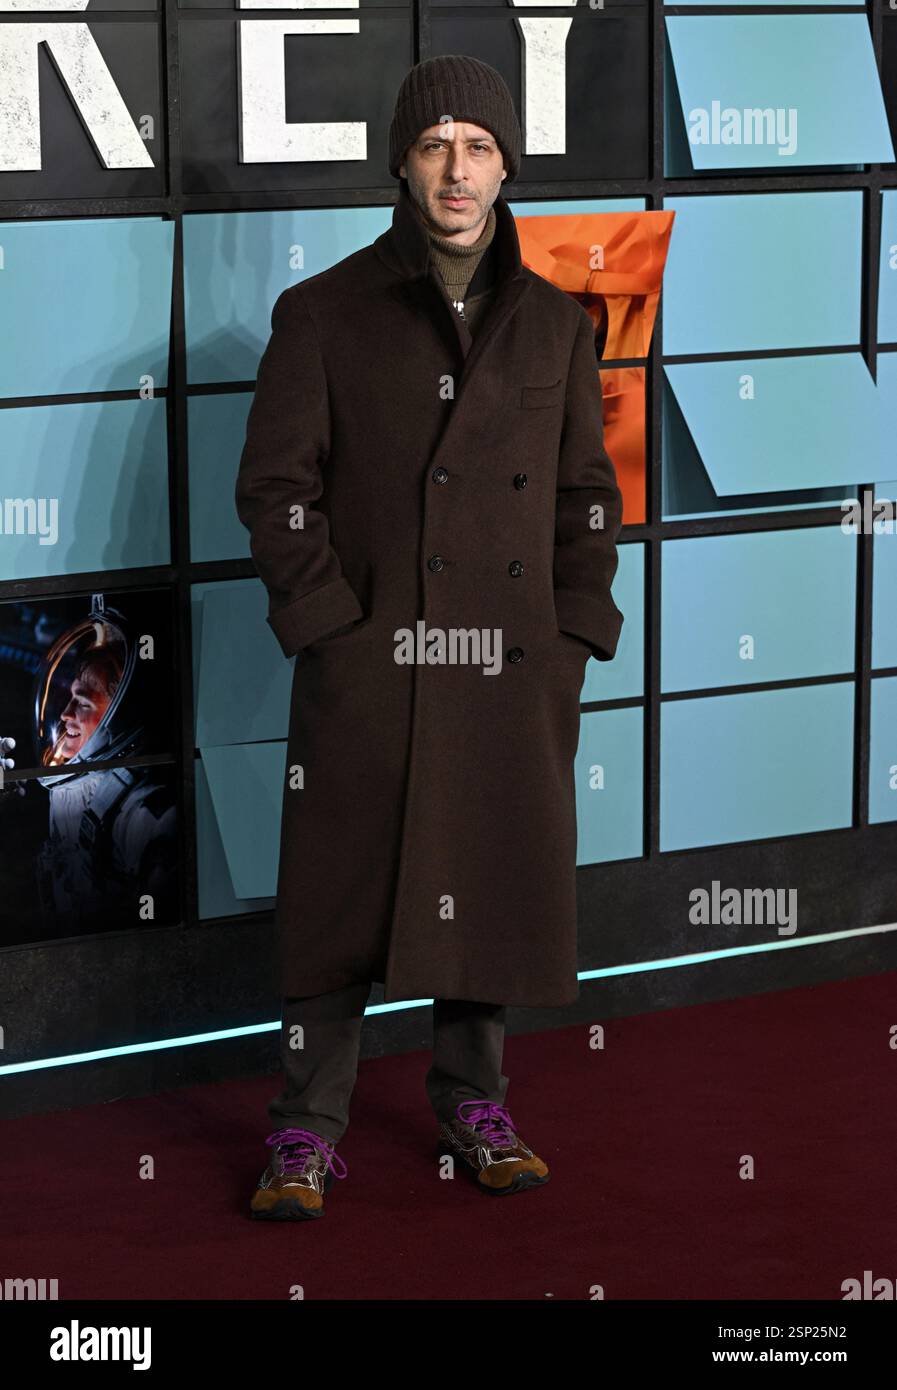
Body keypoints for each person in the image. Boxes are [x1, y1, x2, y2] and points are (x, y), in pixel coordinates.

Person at [235, 55, 624, 1220]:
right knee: (335, 901)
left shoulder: (560, 322)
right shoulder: (325, 311)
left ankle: (473, 1099)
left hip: (508, 665)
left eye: (479, 145)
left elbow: (585, 495)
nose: (457, 169)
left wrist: (571, 631)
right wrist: (333, 636)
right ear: (403, 164)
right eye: (434, 144)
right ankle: (304, 1129)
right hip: (373, 666)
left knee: (487, 881)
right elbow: (275, 488)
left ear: (509, 163)